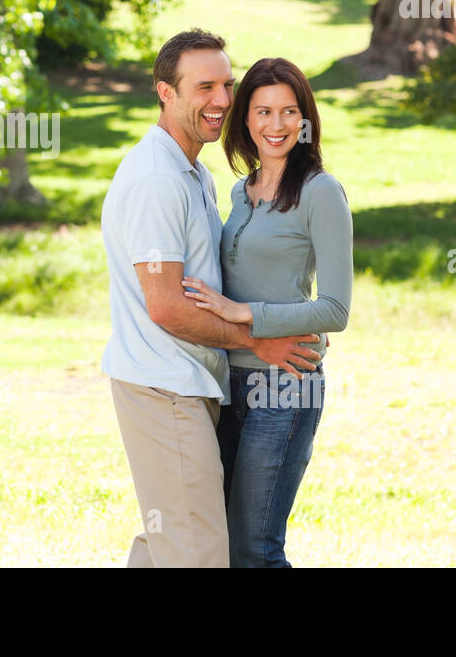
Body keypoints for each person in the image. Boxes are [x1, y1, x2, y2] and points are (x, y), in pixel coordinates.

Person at [101, 31, 321, 568]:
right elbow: (166, 306)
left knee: (170, 545)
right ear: (165, 93)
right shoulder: (157, 178)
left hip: (188, 383)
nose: (222, 99)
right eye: (204, 86)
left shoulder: (193, 171)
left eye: (227, 84)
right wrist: (260, 343)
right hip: (165, 386)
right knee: (198, 554)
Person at [182, 57, 353, 567]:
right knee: (227, 548)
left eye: (287, 112)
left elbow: (336, 309)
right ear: (246, 118)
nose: (274, 125)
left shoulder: (321, 193)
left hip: (285, 384)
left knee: (257, 548)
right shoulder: (242, 190)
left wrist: (244, 314)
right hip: (228, 382)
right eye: (262, 111)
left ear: (305, 120)